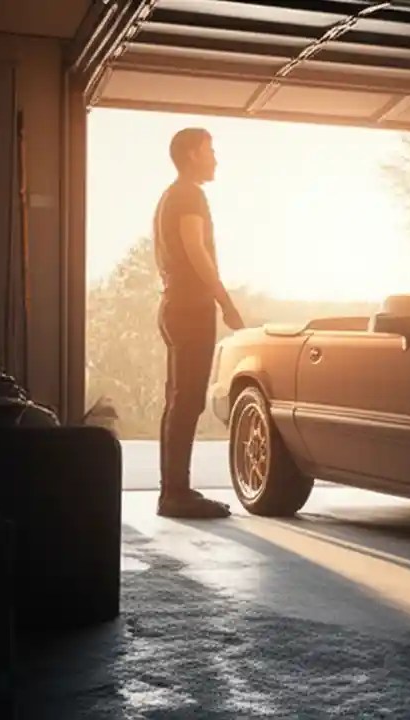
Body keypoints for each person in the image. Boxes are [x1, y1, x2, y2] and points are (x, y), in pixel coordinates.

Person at [153, 127, 244, 518]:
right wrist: (226, 301)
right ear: (192, 154)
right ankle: (176, 494)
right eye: (210, 150)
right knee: (187, 401)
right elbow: (195, 250)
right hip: (191, 308)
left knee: (178, 400)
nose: (215, 159)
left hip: (173, 303)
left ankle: (173, 491)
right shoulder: (190, 195)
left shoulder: (169, 196)